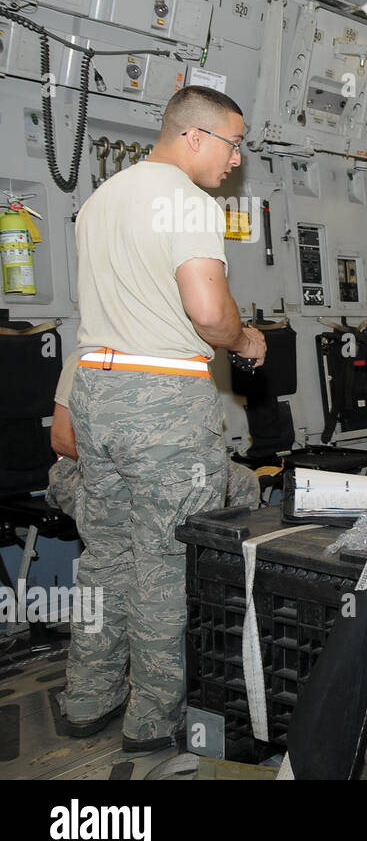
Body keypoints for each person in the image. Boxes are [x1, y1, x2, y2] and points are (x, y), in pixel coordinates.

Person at [62, 85, 266, 753]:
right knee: (165, 559)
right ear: (195, 136)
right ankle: (154, 720)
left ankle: (87, 698)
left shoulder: (97, 203)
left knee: (107, 554)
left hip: (97, 391)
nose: (236, 160)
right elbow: (208, 312)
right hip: (163, 399)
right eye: (233, 143)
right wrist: (245, 341)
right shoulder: (187, 201)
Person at [48, 352, 262, 519]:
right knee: (148, 498)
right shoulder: (90, 358)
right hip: (92, 465)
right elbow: (61, 438)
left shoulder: (189, 359)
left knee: (243, 480)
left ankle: (218, 562)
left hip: (172, 460)